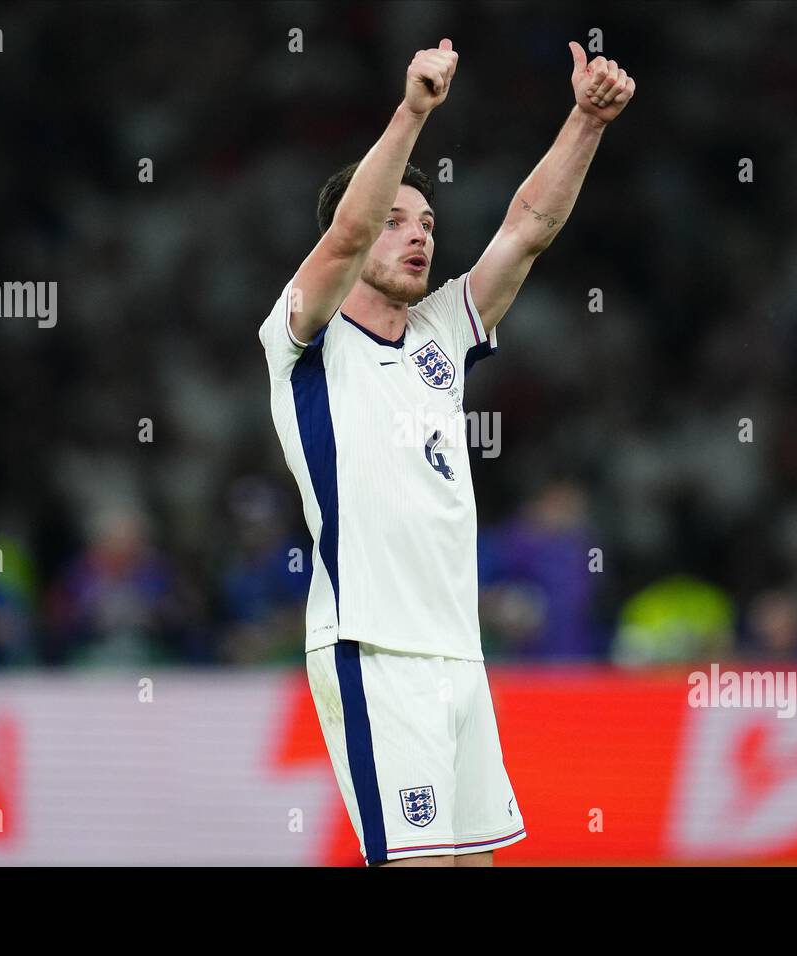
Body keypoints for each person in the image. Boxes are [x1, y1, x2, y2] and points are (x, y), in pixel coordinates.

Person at [258, 38, 635, 866]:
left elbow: (527, 229)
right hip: (373, 649)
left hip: (457, 655)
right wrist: (414, 110)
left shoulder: (443, 335)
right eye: (396, 222)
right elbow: (349, 228)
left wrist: (586, 120)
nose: (417, 236)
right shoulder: (305, 336)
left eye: (427, 223)